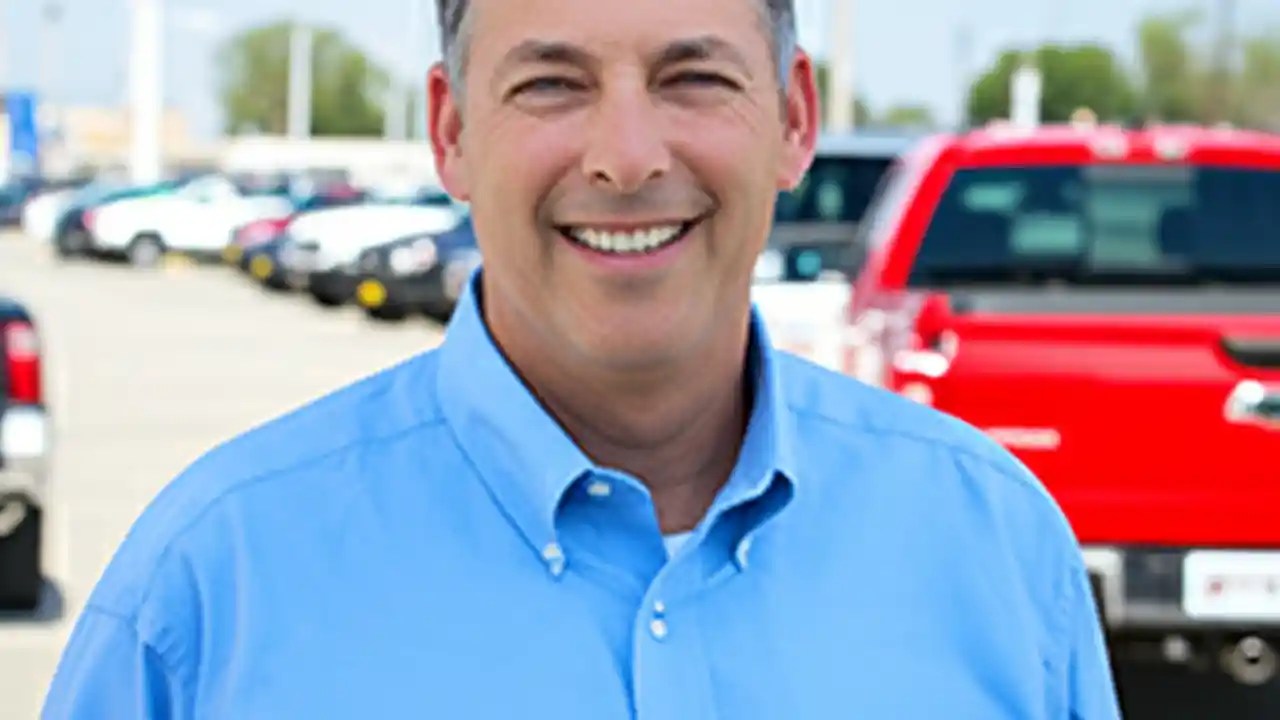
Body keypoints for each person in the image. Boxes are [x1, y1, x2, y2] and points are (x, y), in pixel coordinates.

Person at [43, 0, 1122, 717]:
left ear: (792, 119)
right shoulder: (216, 586)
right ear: (451, 130)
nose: (625, 158)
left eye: (691, 78)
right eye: (551, 85)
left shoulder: (989, 546)